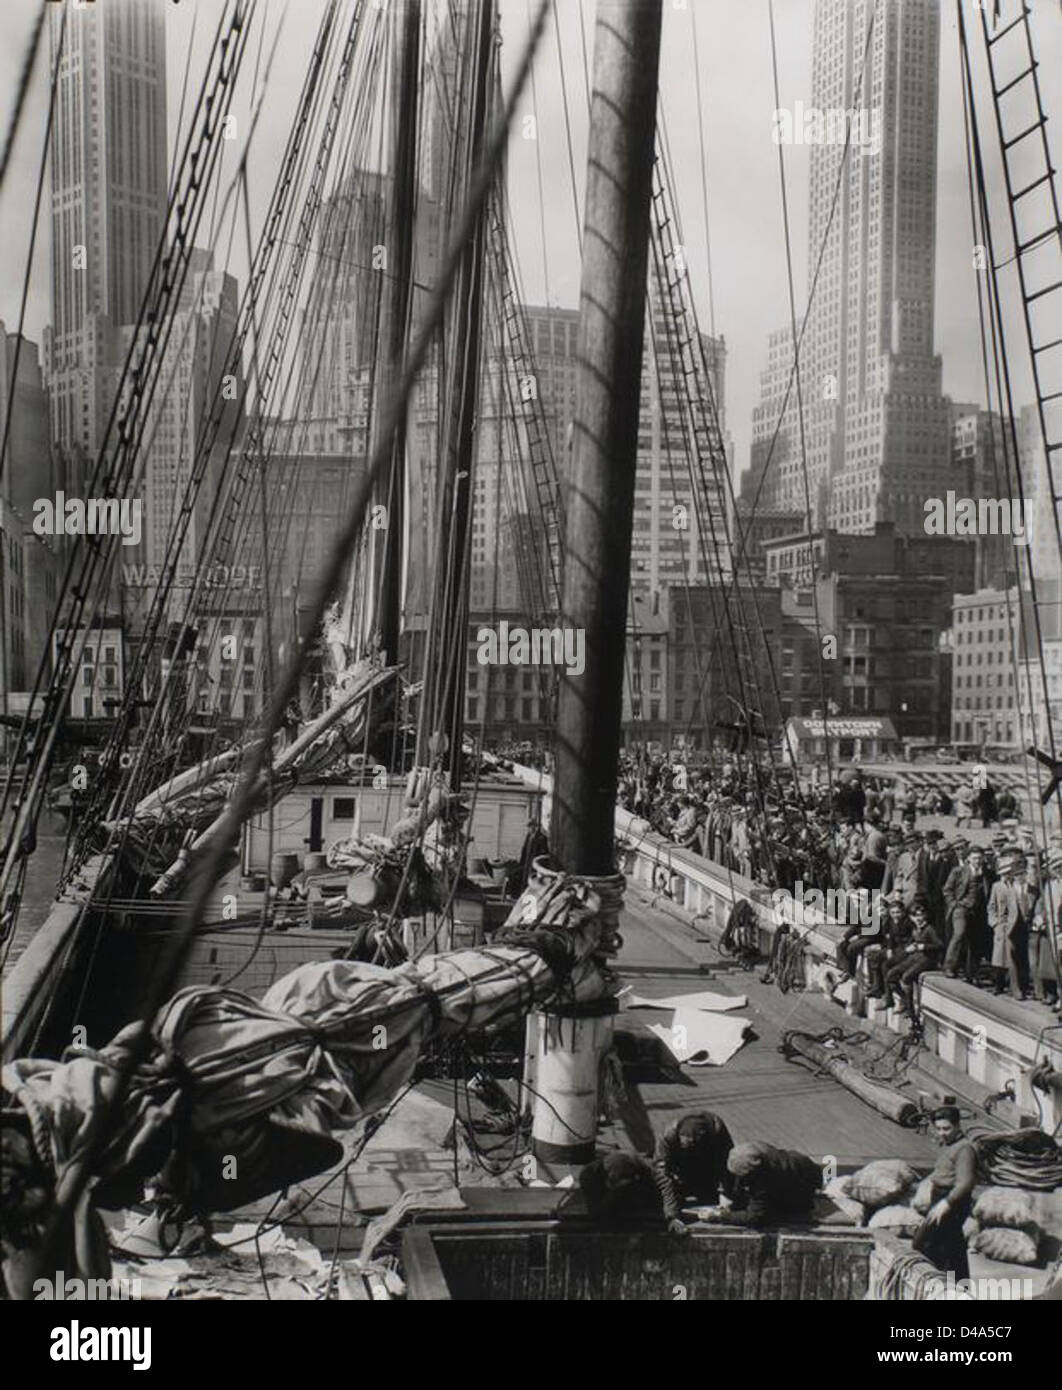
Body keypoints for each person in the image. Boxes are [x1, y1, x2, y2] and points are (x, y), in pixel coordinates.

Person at [912, 1105, 977, 1280]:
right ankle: (957, 1289)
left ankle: (949, 1288)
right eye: (939, 1128)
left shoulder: (964, 1149)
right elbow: (943, 1171)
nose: (942, 1133)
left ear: (957, 1125)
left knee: (924, 1244)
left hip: (952, 1202)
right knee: (949, 1248)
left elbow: (965, 1183)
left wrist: (945, 1204)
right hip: (940, 1198)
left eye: (947, 1128)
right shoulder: (949, 1145)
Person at [698, 1142, 821, 1227]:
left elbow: (755, 1217)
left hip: (802, 1187)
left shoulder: (769, 1176)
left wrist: (721, 1216)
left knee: (775, 1216)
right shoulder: (754, 1151)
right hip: (801, 1166)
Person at [653, 1111, 735, 1234]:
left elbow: (726, 1164)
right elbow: (663, 1174)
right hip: (681, 1169)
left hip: (708, 1167)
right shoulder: (668, 1135)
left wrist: (725, 1193)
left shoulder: (717, 1129)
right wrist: (672, 1215)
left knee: (713, 1198)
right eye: (686, 1145)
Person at [988, 847, 1038, 998]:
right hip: (1010, 928)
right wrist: (996, 923)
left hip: (1028, 928)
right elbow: (993, 907)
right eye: (1017, 875)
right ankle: (1016, 990)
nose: (1020, 877)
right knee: (1011, 959)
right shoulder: (1006, 889)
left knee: (1025, 959)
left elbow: (1035, 906)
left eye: (1023, 874)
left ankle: (1025, 986)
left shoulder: (1032, 890)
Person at [942, 844, 992, 982]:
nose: (978, 861)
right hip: (961, 908)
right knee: (959, 933)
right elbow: (947, 890)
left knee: (975, 941)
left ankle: (972, 973)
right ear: (968, 859)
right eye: (975, 858)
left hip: (979, 911)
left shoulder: (986, 873)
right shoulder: (958, 871)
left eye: (980, 858)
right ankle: (949, 966)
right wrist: (954, 904)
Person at [883, 901, 943, 1014]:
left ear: (925, 915)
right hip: (915, 957)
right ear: (911, 917)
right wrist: (912, 947)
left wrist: (923, 946)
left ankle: (911, 1011)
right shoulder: (915, 928)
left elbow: (940, 945)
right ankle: (904, 1000)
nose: (918, 918)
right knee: (891, 974)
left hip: (928, 959)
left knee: (906, 977)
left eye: (920, 915)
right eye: (915, 916)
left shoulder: (929, 929)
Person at [577, 1152, 662, 1226]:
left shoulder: (640, 1169)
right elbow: (597, 1213)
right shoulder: (589, 1176)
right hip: (608, 1207)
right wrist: (618, 1190)